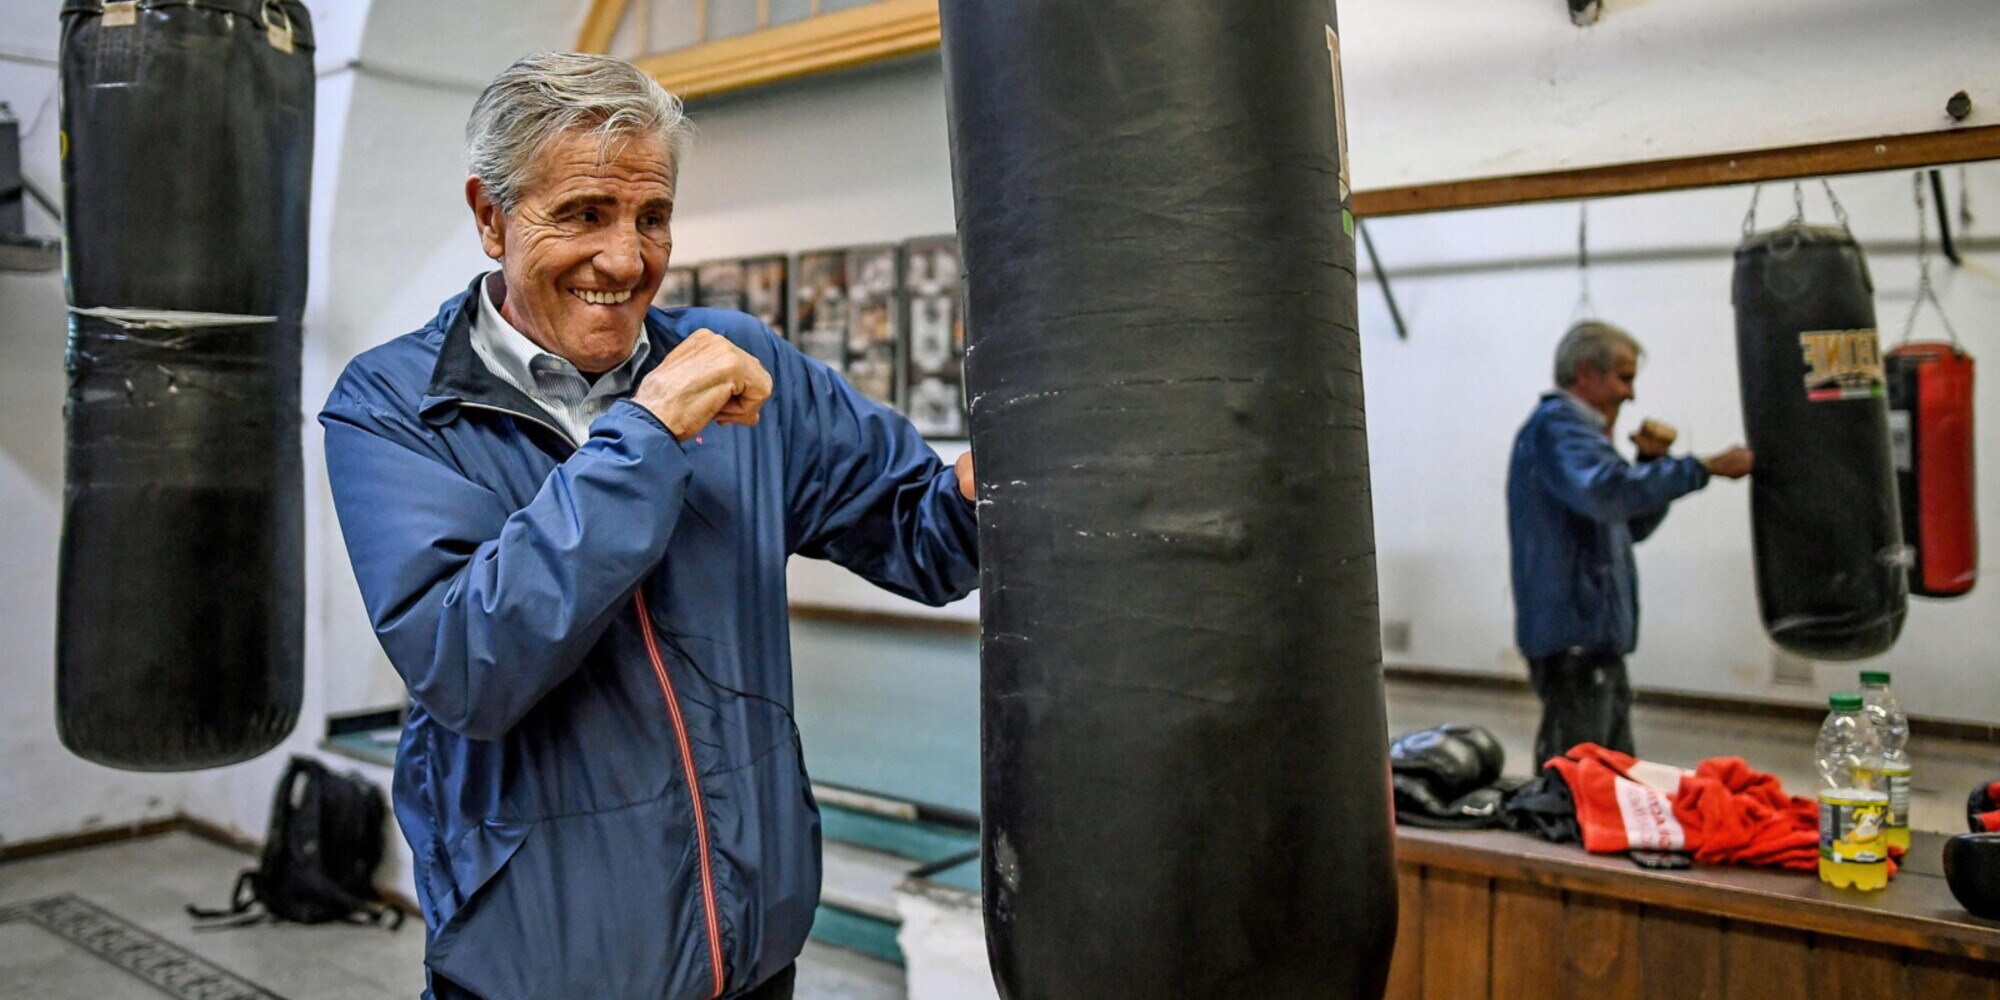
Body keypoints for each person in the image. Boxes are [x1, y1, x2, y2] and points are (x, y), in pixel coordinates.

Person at [319, 53, 979, 1000]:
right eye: (584, 214)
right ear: (491, 216)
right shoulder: (395, 404)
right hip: (541, 972)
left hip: (750, 960)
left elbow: (922, 537)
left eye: (652, 217)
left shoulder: (736, 357)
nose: (628, 261)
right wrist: (650, 432)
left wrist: (986, 486)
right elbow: (468, 662)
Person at [1506, 320, 1752, 768]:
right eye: (1624, 378)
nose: (1631, 395)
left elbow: (1626, 523)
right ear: (1586, 372)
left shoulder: (1580, 438)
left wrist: (1650, 463)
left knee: (1610, 775)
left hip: (1593, 637)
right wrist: (1701, 467)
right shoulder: (1558, 430)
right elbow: (1607, 493)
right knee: (1577, 778)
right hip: (1575, 637)